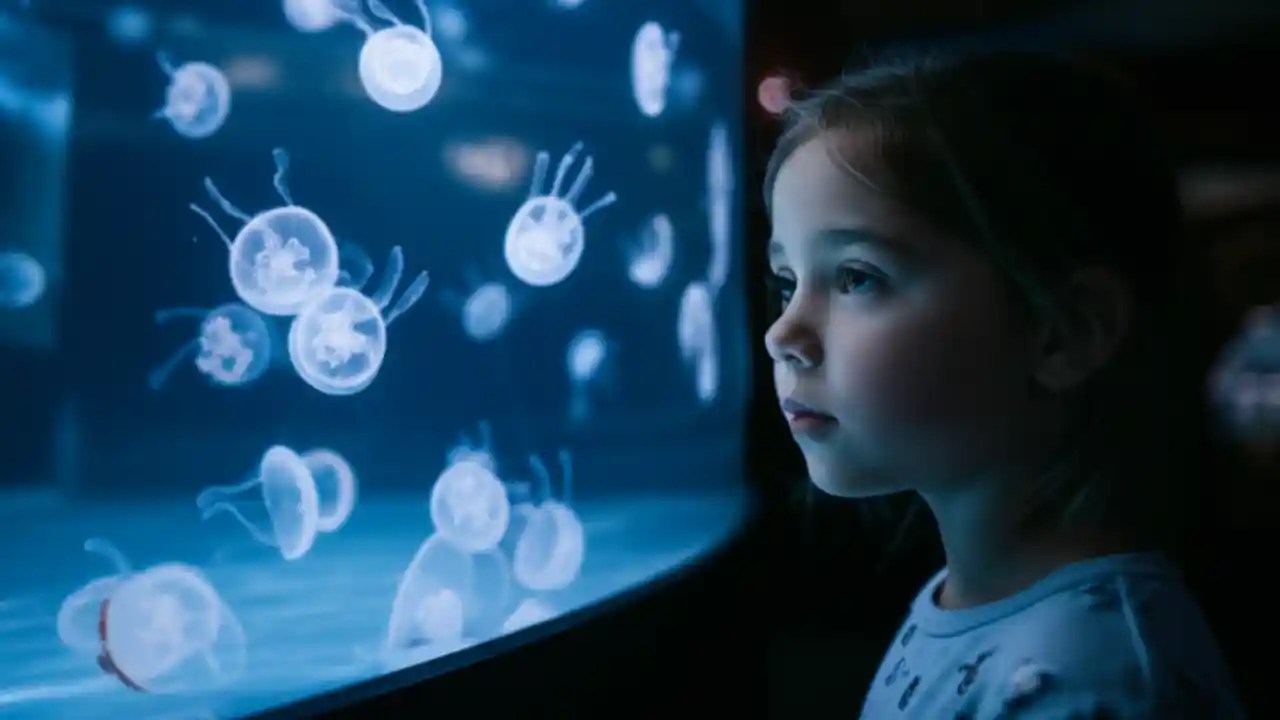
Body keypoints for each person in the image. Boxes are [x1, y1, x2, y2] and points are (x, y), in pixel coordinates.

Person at [762, 46, 1247, 718]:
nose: (781, 334)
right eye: (787, 282)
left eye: (856, 277)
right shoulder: (966, 601)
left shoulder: (1088, 679)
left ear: (1063, 333)